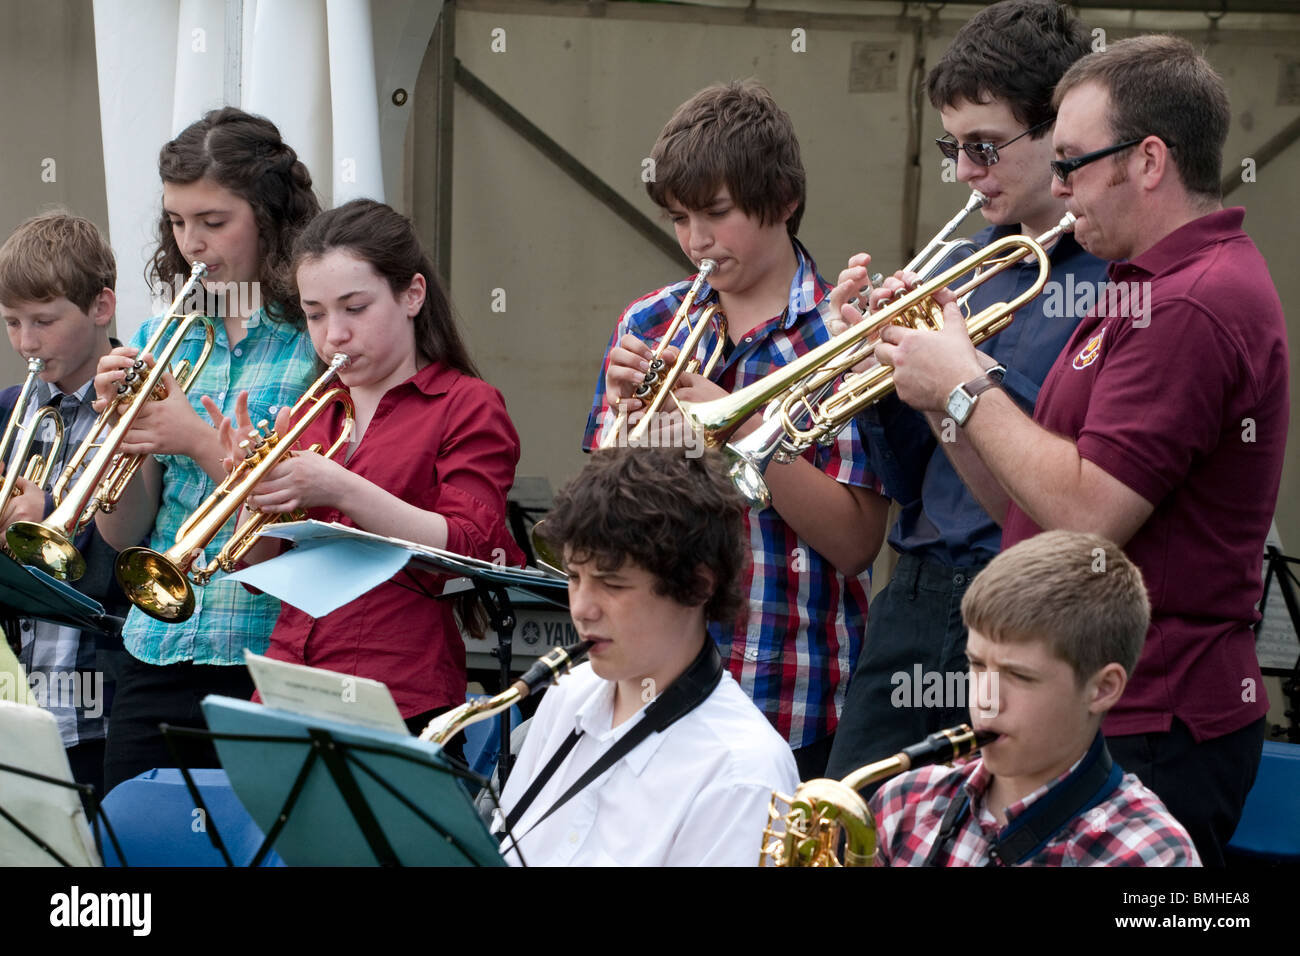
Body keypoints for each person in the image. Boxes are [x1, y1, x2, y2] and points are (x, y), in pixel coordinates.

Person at [870, 35, 1288, 866]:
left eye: (1071, 162)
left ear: (1149, 161)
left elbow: (1088, 518)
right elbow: (1030, 512)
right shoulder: (1139, 281)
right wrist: (939, 386)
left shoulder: (1189, 304)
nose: (1057, 188)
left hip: (1152, 717)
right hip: (1098, 705)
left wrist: (963, 386)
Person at [826, 0, 1109, 781]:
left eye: (983, 147)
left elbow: (1068, 477)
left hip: (1024, 608)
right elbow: (915, 478)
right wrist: (880, 362)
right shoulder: (966, 268)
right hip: (913, 594)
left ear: (1059, 132)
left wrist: (956, 379)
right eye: (953, 148)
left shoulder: (1116, 283)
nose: (962, 172)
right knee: (847, 823)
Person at [583, 80, 887, 778]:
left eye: (716, 214)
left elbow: (855, 542)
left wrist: (736, 422)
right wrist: (627, 431)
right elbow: (598, 519)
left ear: (783, 201)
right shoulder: (649, 324)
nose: (696, 242)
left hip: (792, 697)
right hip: (654, 687)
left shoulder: (840, 332)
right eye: (678, 218)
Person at [216, 199, 523, 754]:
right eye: (314, 314)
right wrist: (251, 491)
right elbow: (255, 563)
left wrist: (337, 487)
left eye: (354, 308)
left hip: (401, 694)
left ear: (412, 295)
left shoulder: (467, 405)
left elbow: (471, 547)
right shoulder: (313, 412)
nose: (333, 334)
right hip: (288, 683)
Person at [93, 108, 323, 793]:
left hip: (266, 654)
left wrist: (193, 437)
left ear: (272, 218)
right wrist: (118, 440)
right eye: (176, 221)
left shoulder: (315, 338)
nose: (191, 242)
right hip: (156, 648)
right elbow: (122, 530)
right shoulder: (165, 334)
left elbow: (308, 516)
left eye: (213, 222)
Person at [495, 446, 799, 866]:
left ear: (696, 587)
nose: (581, 608)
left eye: (613, 585)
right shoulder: (568, 694)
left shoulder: (744, 773)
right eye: (574, 577)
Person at [870, 531, 1199, 866]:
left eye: (1019, 676)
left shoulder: (1153, 853)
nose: (986, 699)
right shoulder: (904, 801)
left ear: (1102, 688)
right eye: (977, 664)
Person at [0, 212, 130, 798]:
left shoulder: (138, 403)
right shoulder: (7, 411)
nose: (27, 343)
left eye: (44, 321)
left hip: (101, 701)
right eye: (11, 323)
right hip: (16, 704)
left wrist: (48, 513)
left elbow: (133, 552)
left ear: (101, 307)